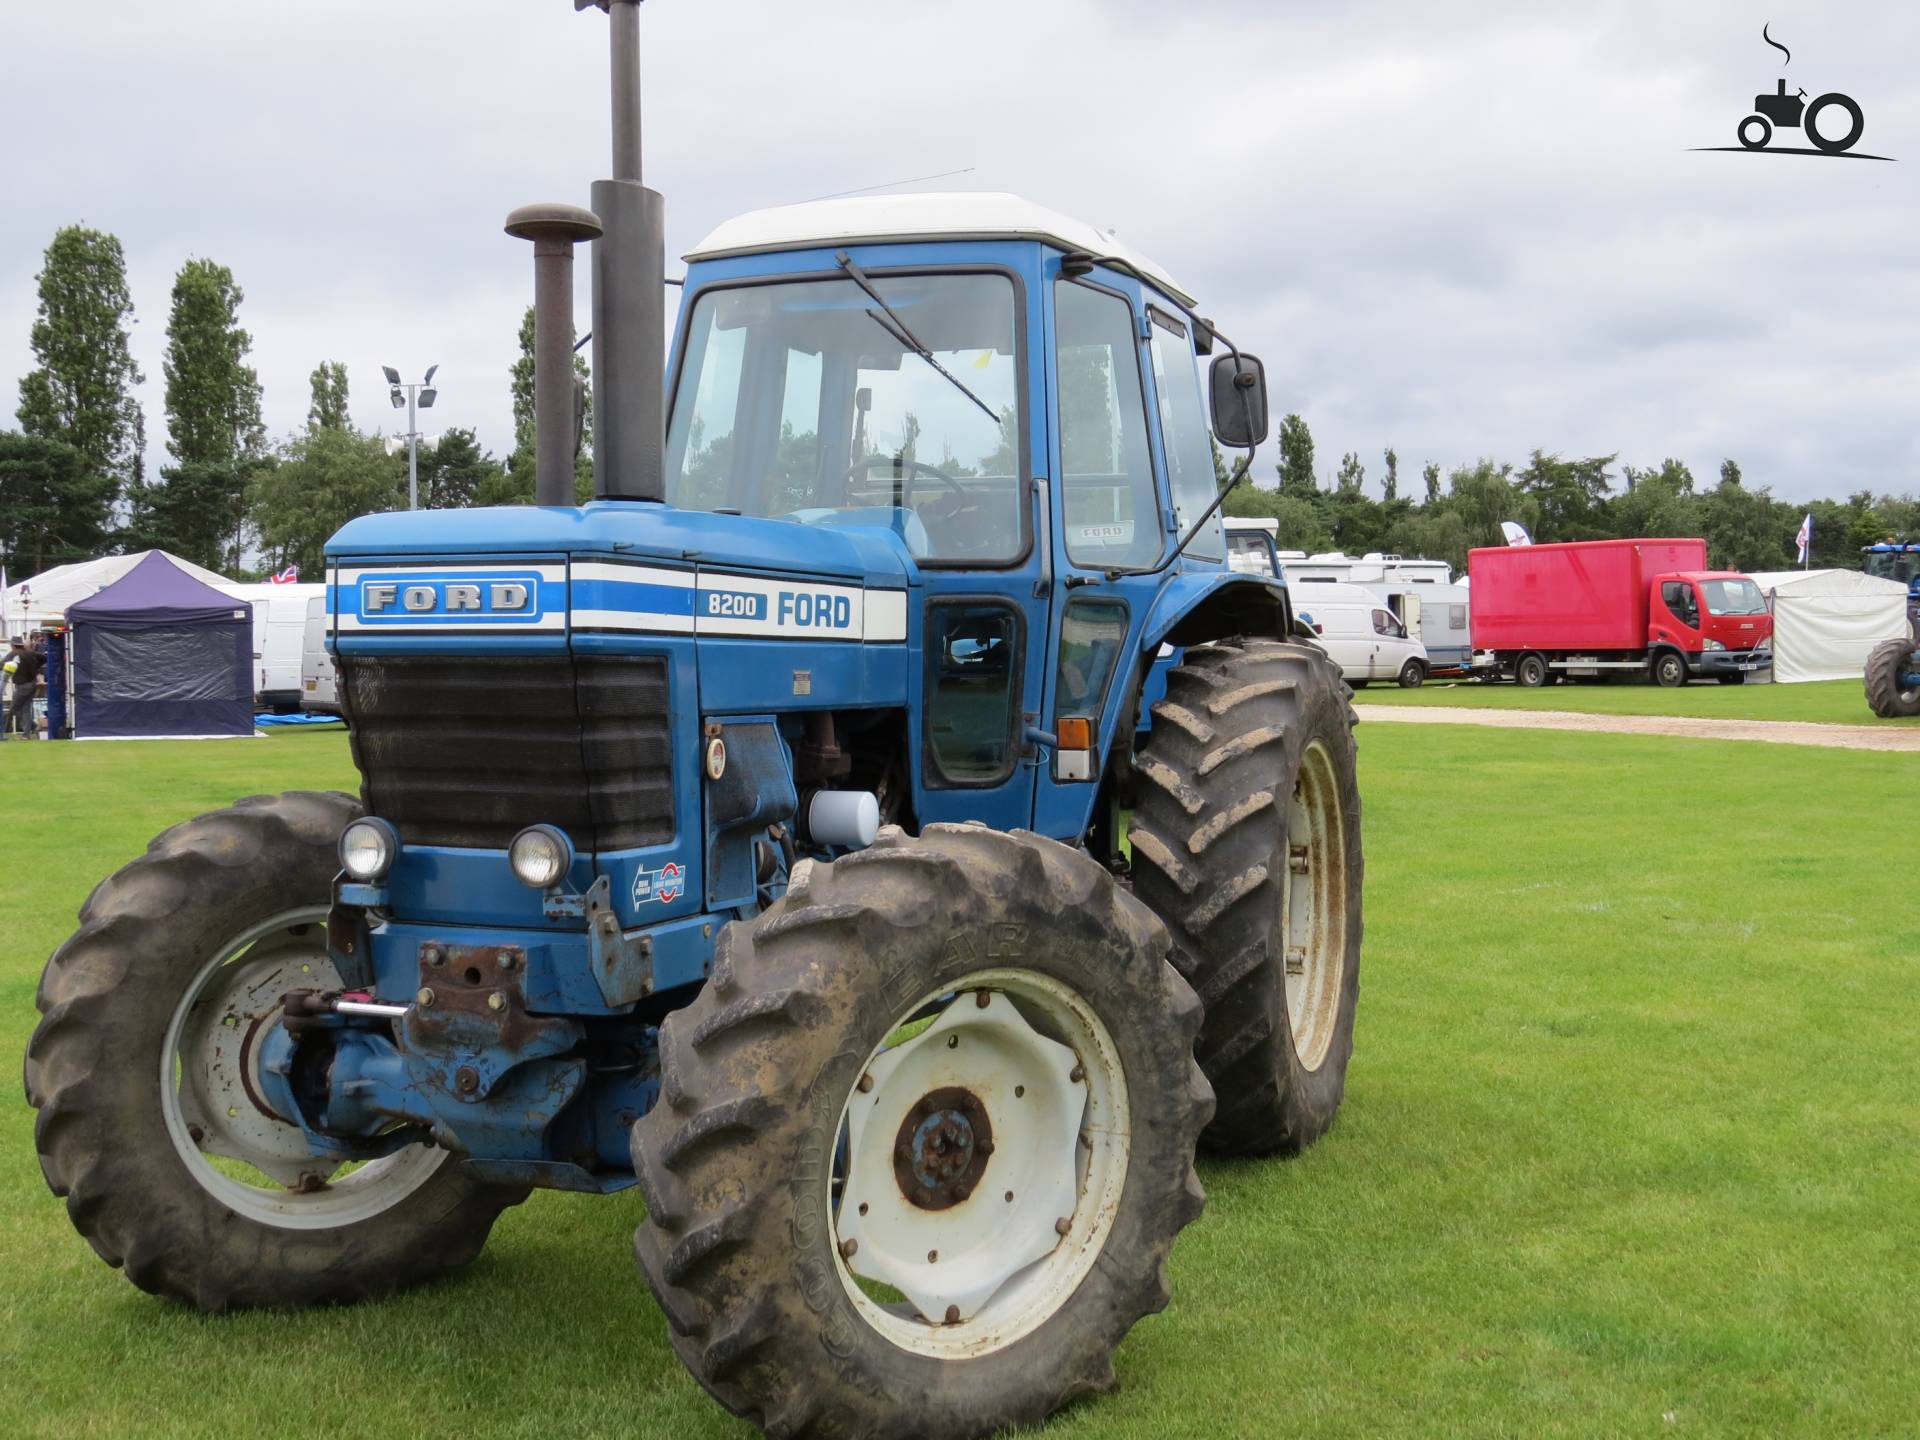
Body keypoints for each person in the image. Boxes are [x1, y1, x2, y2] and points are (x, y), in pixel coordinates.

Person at [6, 636, 42, 739]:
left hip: (22, 686)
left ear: (13, 645)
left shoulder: (14, 653)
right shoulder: (30, 653)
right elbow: (43, 658)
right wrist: (36, 667)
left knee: (14, 708)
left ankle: (33, 726)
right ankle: (27, 734)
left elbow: (2, 664)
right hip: (32, 684)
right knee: (25, 708)